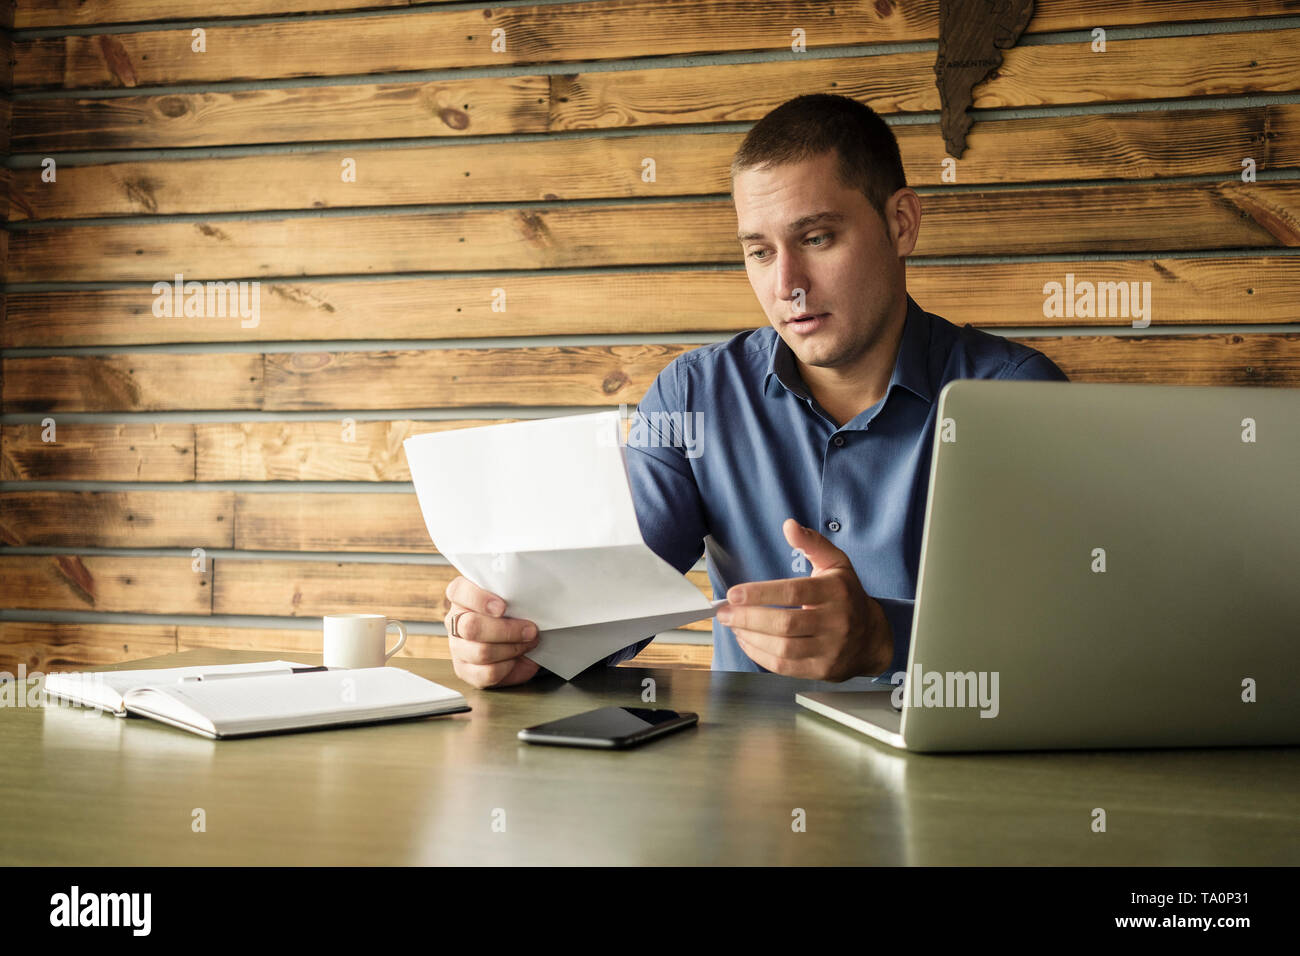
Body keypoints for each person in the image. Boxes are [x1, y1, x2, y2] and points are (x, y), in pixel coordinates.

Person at [441, 93, 1067, 689]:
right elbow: (603, 601)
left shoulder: (1016, 400)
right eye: (760, 251)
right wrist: (519, 639)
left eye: (817, 238)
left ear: (901, 224)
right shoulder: (692, 394)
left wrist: (887, 637)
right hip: (749, 785)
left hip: (955, 777)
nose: (787, 284)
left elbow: (1060, 637)